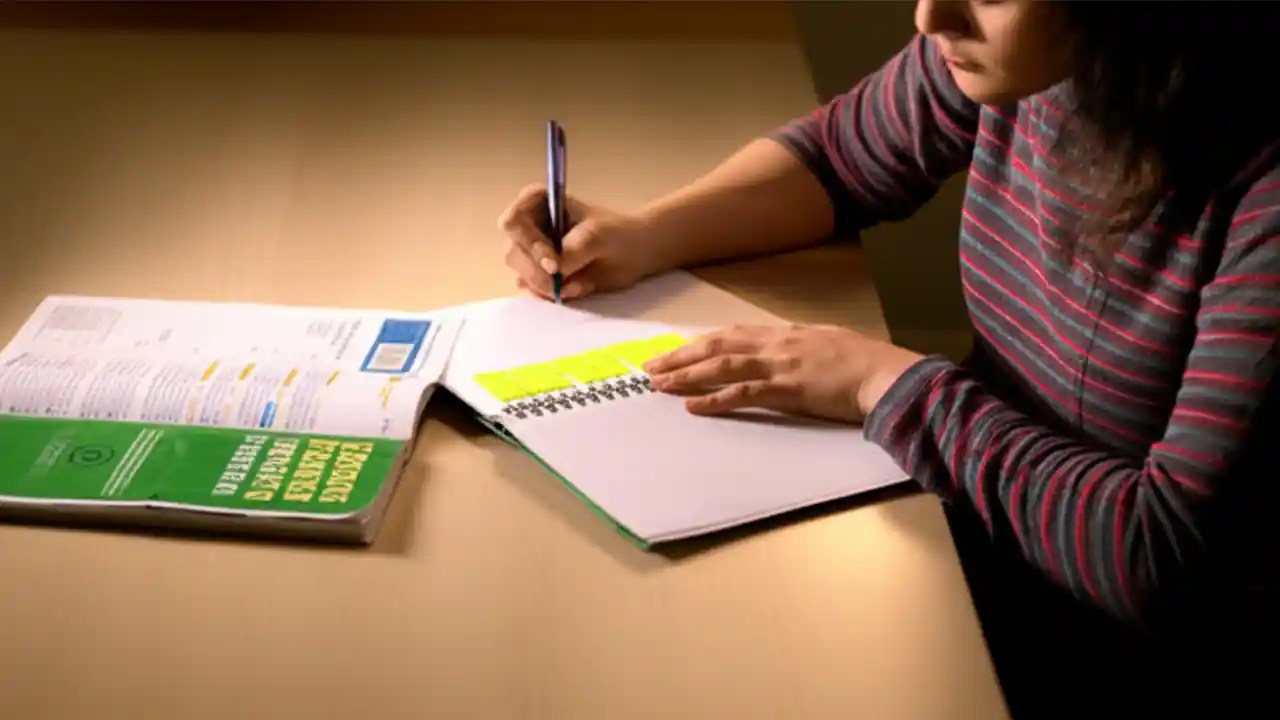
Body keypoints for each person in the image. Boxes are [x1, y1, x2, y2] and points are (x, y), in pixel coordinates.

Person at [499, 1, 1279, 714]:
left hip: (1114, 661)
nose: (930, 14)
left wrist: (886, 382)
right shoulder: (1045, 55)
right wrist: (648, 236)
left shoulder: (1262, 197)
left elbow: (1161, 557)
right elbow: (841, 159)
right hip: (980, 536)